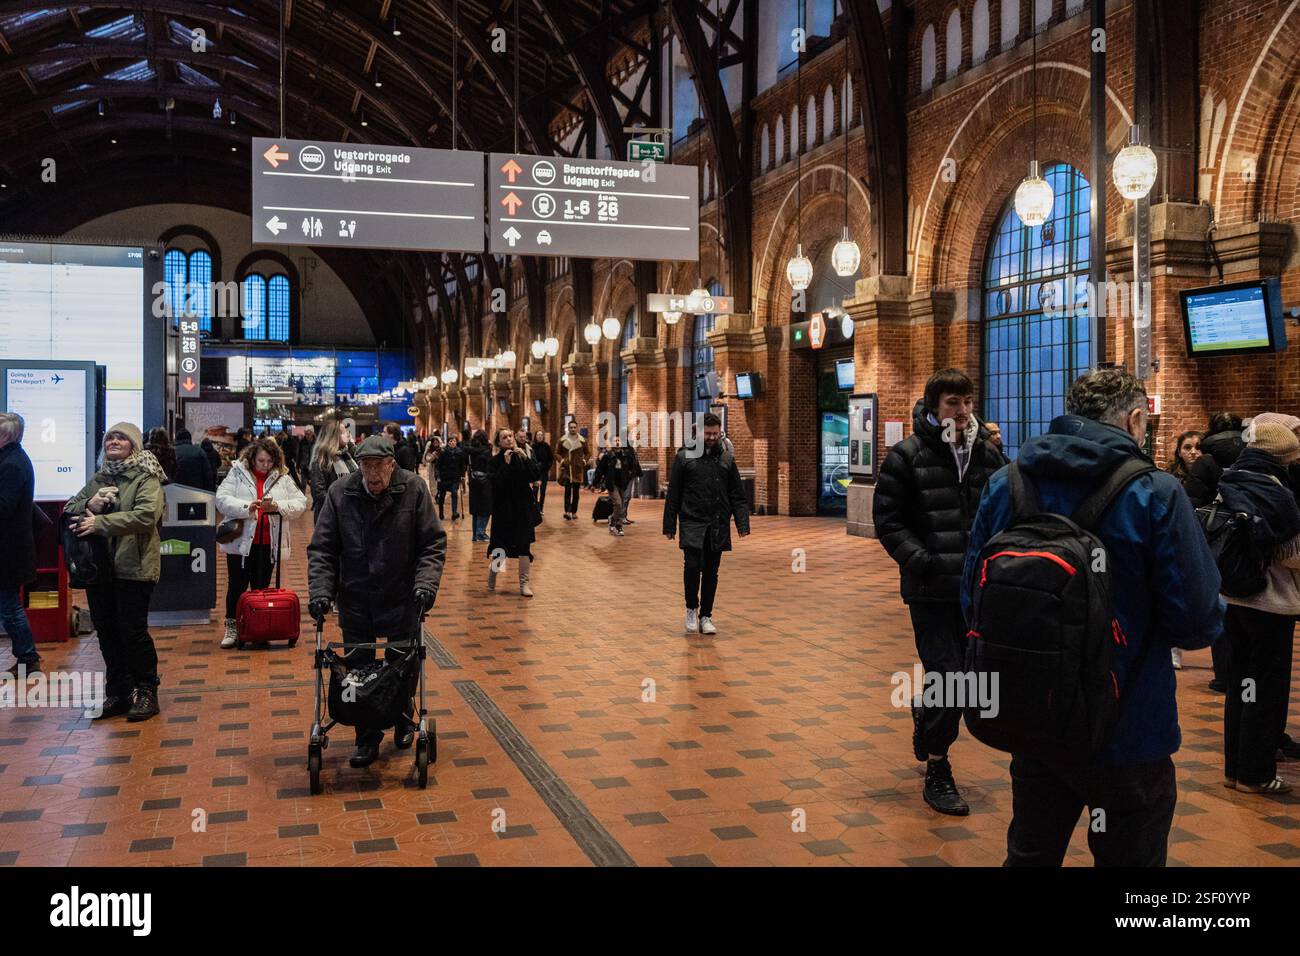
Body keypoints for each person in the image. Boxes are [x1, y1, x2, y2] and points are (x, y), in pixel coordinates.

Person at [962, 367, 1223, 865]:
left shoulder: (1007, 483)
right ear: (1135, 419)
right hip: (1129, 726)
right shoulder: (1156, 493)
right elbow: (1197, 621)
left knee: (1030, 855)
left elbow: (971, 597)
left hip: (1035, 714)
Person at [872, 368, 1006, 816]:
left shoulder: (988, 456)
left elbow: (1007, 511)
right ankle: (938, 766)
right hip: (930, 590)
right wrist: (920, 560)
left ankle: (926, 717)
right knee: (950, 677)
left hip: (977, 591)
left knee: (965, 680)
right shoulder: (906, 456)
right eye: (953, 403)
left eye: (968, 402)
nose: (963, 412)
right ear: (934, 407)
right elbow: (888, 521)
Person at [307, 435, 445, 768]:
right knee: (358, 669)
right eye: (366, 467)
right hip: (356, 596)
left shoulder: (413, 489)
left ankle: (401, 717)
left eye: (379, 467)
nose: (373, 475)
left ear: (391, 464)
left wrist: (425, 585)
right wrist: (321, 592)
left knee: (403, 665)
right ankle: (366, 738)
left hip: (402, 595)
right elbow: (323, 549)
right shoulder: (341, 493)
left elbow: (432, 544)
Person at [1216, 421, 1300, 795]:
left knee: (1240, 686)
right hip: (1271, 603)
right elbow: (1292, 555)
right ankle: (1257, 774)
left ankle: (1234, 768)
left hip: (1235, 598)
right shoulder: (1277, 493)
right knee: (1265, 691)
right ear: (1281, 457)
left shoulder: (1232, 480)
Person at [65, 423, 167, 722]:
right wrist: (89, 503)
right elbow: (71, 507)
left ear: (134, 445)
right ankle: (119, 692)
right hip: (99, 571)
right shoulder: (99, 478)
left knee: (132, 631)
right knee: (107, 632)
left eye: (121, 437)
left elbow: (146, 515)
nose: (114, 441)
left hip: (134, 567)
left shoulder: (146, 477)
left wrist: (100, 523)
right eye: (110, 437)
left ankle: (145, 690)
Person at [214, 437, 308, 649]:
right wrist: (247, 506)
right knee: (236, 586)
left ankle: (258, 627)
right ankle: (233, 627)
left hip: (268, 542)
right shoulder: (237, 472)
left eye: (269, 461)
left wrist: (277, 506)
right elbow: (221, 499)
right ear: (252, 458)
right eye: (261, 461)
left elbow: (300, 502)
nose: (265, 466)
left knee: (261, 587)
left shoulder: (282, 477)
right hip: (240, 542)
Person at [663, 412, 750, 636]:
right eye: (708, 433)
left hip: (718, 523)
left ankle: (706, 616)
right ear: (699, 432)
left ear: (720, 432)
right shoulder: (684, 457)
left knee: (712, 572)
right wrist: (670, 525)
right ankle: (691, 609)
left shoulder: (727, 458)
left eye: (715, 433)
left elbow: (737, 494)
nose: (712, 437)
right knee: (692, 568)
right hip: (692, 521)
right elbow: (674, 494)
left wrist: (742, 523)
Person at [0, 413, 41, 677]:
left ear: (5, 436)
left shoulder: (12, 465)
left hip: (8, 549)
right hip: (10, 547)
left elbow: (4, 506)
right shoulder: (12, 460)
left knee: (9, 605)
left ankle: (27, 657)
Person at [487, 428, 541, 597]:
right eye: (505, 437)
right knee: (500, 550)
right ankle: (492, 578)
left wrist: (525, 458)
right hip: (503, 511)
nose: (509, 439)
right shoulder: (495, 461)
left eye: (510, 436)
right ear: (499, 442)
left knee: (524, 546)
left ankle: (524, 584)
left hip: (522, 509)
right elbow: (496, 484)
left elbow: (535, 475)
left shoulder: (522, 456)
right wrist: (506, 464)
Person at [1184, 412, 1244, 508]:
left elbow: (1193, 501)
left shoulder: (1205, 461)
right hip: (1250, 517)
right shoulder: (1251, 456)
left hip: (1214, 518)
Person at [309, 417, 356, 521]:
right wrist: (345, 502)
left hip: (351, 515)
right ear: (333, 437)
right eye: (344, 432)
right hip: (330, 517)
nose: (348, 434)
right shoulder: (321, 459)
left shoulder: (348, 454)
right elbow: (319, 494)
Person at [594, 437, 634, 536]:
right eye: (615, 441)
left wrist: (629, 475)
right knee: (619, 504)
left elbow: (632, 466)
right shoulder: (608, 456)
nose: (617, 443)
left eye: (618, 441)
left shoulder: (626, 455)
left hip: (622, 483)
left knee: (619, 505)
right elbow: (600, 470)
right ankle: (618, 526)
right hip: (612, 484)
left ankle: (612, 519)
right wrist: (595, 483)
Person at [556, 421, 588, 521]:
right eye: (571, 427)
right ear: (568, 428)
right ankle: (567, 511)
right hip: (567, 469)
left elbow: (588, 453)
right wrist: (562, 460)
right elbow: (557, 453)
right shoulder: (562, 440)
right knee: (567, 491)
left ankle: (574, 511)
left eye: (574, 427)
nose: (573, 429)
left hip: (577, 470)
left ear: (577, 428)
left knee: (576, 493)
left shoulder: (582, 440)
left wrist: (583, 461)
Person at [467, 430, 493, 542]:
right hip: (484, 481)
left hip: (474, 480)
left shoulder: (470, 450)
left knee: (475, 510)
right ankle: (480, 532)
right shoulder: (487, 451)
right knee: (486, 508)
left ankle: (475, 534)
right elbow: (489, 466)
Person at [434, 434, 468, 521]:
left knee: (454, 494)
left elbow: (463, 466)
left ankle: (454, 513)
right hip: (444, 477)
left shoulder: (459, 453)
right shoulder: (443, 452)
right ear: (448, 443)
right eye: (451, 441)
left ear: (456, 442)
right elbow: (437, 465)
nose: (453, 443)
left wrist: (463, 475)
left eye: (454, 441)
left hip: (455, 478)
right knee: (442, 495)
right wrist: (437, 476)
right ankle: (441, 512)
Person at [532, 430, 554, 516]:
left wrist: (547, 467)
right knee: (535, 491)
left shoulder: (546, 446)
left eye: (541, 435)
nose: (540, 436)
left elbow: (551, 459)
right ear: (536, 436)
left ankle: (541, 508)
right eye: (538, 435)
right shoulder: (532, 447)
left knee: (543, 491)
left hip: (544, 472)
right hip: (535, 472)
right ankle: (535, 508)